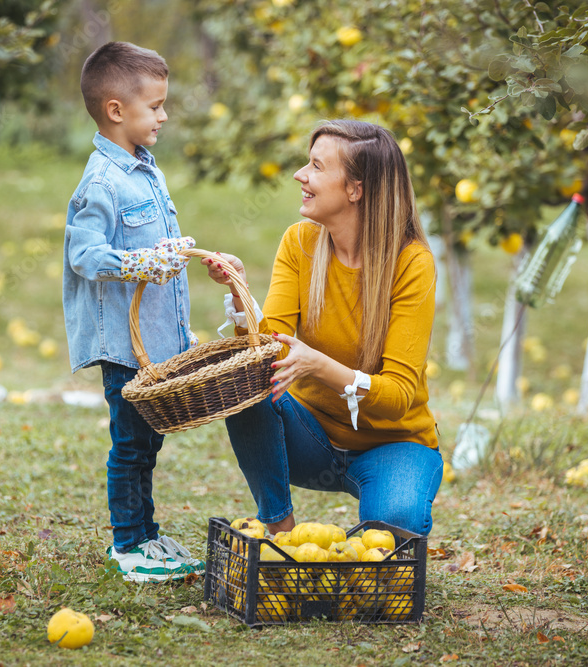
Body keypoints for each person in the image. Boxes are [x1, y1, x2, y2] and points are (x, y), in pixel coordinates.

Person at [204, 119, 442, 538]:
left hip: (394, 444)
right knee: (244, 389)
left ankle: (349, 552)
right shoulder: (300, 243)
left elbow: (397, 398)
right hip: (310, 439)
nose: (300, 175)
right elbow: (266, 359)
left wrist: (318, 365)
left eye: (316, 166)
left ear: (355, 189)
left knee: (396, 526)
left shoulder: (412, 263)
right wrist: (240, 292)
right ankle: (280, 535)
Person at [63, 41, 203, 582]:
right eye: (156, 106)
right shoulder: (101, 181)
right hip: (124, 344)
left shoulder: (147, 171)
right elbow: (85, 255)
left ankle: (145, 537)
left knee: (148, 443)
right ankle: (128, 545)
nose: (164, 115)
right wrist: (138, 261)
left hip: (157, 339)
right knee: (131, 445)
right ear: (117, 111)